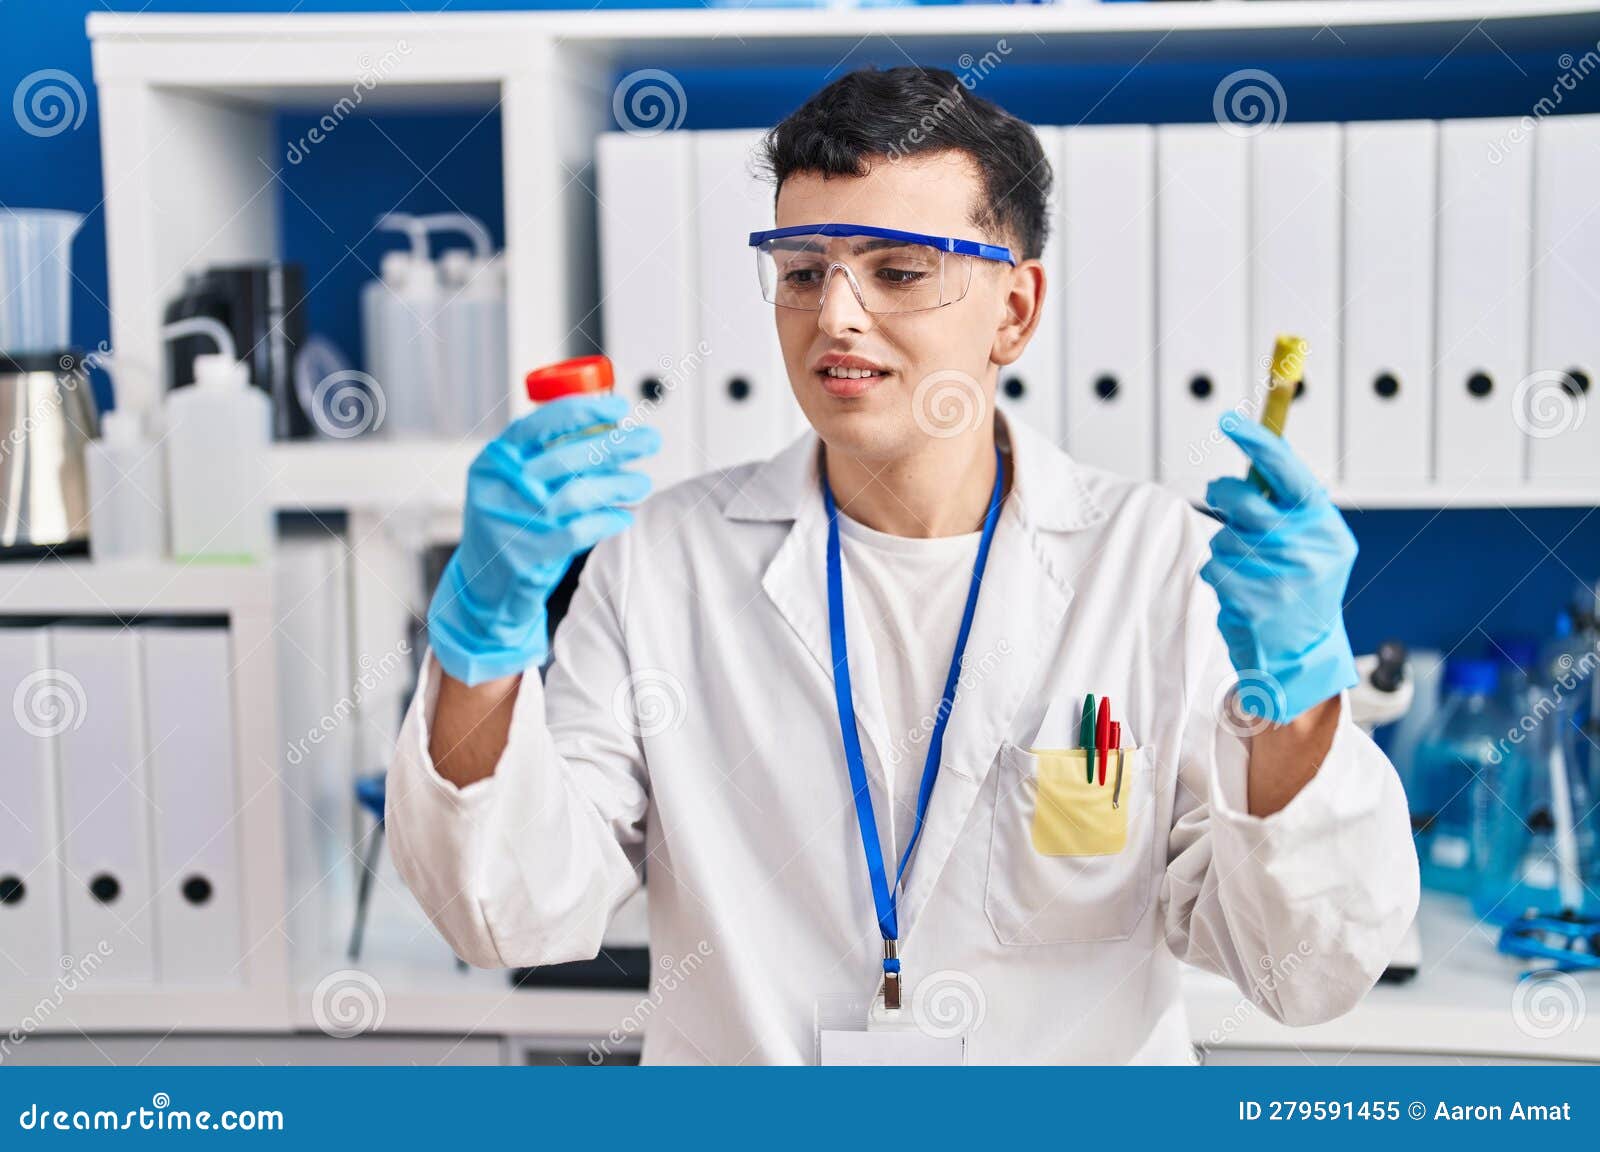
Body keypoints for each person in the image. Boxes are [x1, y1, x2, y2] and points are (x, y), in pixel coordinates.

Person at [388, 66, 1418, 1064]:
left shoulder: (1156, 563)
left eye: (896, 270)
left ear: (1013, 310)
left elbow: (1303, 969)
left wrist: (1299, 697)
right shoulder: (661, 562)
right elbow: (506, 912)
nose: (834, 315)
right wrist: (481, 631)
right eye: (801, 271)